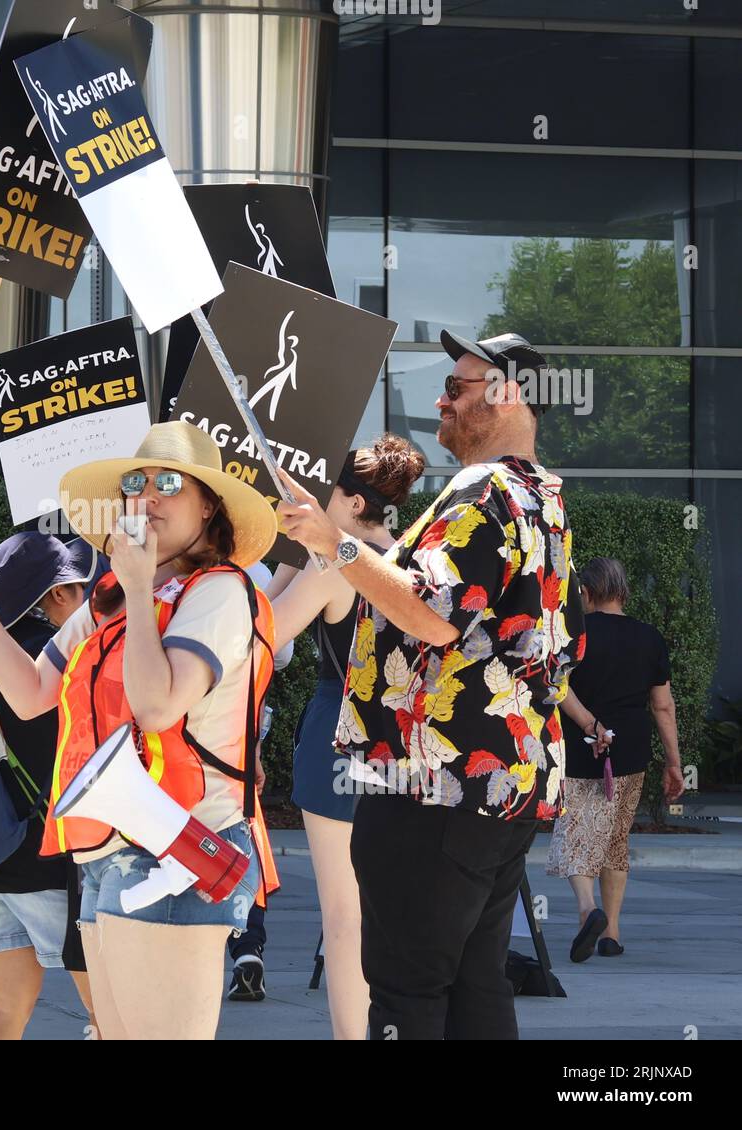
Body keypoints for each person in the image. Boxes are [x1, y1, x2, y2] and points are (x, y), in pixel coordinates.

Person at [0, 421, 281, 1040]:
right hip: (105, 851)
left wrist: (139, 588)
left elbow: (158, 707)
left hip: (182, 845)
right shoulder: (110, 598)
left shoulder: (220, 591)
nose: (149, 496)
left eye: (171, 483)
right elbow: (29, 694)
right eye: (136, 483)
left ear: (209, 506)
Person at [276, 330, 585, 1040]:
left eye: (456, 388)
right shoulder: (542, 494)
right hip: (502, 782)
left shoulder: (483, 490)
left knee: (408, 989)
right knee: (476, 984)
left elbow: (431, 613)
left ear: (506, 394)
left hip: (433, 783)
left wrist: (331, 542)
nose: (441, 403)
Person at [266, 435, 425, 1036]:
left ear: (355, 503)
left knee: (344, 915)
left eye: (326, 493)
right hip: (411, 740)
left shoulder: (331, 563)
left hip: (340, 733)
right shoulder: (416, 558)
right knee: (403, 909)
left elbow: (263, 636)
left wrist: (289, 560)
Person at [0, 532, 98, 1039]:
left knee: (3, 1011)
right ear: (58, 594)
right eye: (80, 589)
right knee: (111, 1014)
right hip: (48, 861)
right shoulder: (55, 662)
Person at [548, 556, 684, 961]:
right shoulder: (649, 638)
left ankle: (588, 909)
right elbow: (663, 706)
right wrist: (674, 762)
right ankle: (611, 933)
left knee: (575, 831)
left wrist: (590, 724)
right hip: (630, 751)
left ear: (586, 593)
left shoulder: (573, 633)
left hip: (580, 745)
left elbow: (556, 686)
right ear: (623, 593)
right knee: (615, 838)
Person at [225, 558, 295, 1004]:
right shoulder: (253, 572)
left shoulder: (158, 566)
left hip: (166, 734)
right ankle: (247, 947)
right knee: (240, 836)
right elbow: (278, 652)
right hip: (237, 725)